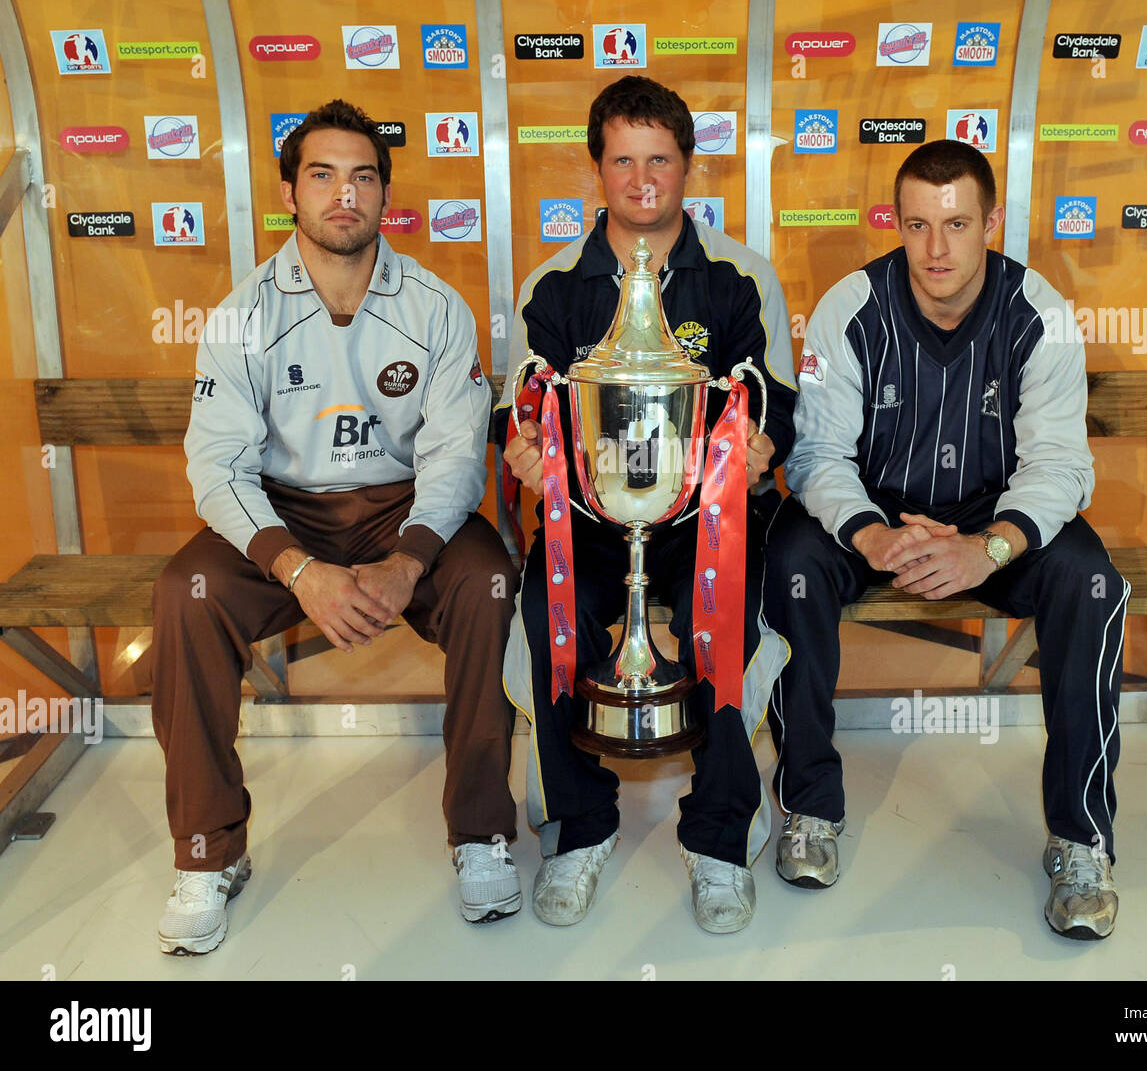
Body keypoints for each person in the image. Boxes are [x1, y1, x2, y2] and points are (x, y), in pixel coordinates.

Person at [151, 99, 520, 954]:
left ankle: (481, 835)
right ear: (290, 191)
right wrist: (298, 570)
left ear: (386, 195)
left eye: (362, 176)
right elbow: (216, 466)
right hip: (285, 514)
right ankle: (208, 854)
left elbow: (459, 459)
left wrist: (408, 563)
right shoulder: (243, 312)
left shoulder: (434, 306)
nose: (342, 194)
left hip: (406, 510)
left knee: (489, 584)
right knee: (184, 593)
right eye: (322, 175)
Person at [762, 139, 1129, 939]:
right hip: (875, 511)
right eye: (918, 224)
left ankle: (1080, 840)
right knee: (789, 563)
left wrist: (989, 546)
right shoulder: (848, 306)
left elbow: (1063, 464)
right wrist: (870, 535)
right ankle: (810, 809)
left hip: (996, 520)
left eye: (958, 223)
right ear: (896, 221)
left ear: (992, 221)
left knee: (1092, 583)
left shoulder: (1042, 313)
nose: (936, 248)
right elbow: (818, 454)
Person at [494, 76, 797, 934]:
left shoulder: (741, 278)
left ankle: (718, 841)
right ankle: (578, 829)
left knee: (734, 611)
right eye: (622, 160)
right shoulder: (553, 284)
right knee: (548, 608)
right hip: (592, 520)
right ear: (597, 171)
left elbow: (769, 397)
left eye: (659, 158)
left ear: (688, 167)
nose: (642, 179)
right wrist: (525, 448)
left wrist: (760, 443)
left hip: (708, 515)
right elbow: (528, 397)